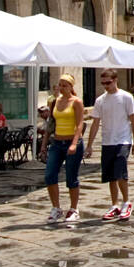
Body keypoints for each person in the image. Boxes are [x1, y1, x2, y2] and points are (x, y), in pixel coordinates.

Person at [85, 69, 134, 221]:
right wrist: (89, 145)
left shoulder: (126, 97)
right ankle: (114, 204)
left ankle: (126, 202)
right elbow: (95, 123)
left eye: (108, 83)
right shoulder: (100, 100)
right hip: (107, 141)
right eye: (103, 84)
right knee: (110, 175)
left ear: (115, 80)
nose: (106, 86)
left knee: (120, 171)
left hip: (123, 140)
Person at [44, 75, 86, 225]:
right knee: (49, 175)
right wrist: (44, 145)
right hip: (57, 142)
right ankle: (56, 208)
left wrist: (74, 144)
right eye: (60, 85)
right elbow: (50, 124)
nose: (62, 88)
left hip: (72, 142)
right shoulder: (55, 102)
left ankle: (74, 209)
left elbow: (80, 124)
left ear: (71, 87)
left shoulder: (76, 102)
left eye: (65, 85)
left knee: (71, 177)